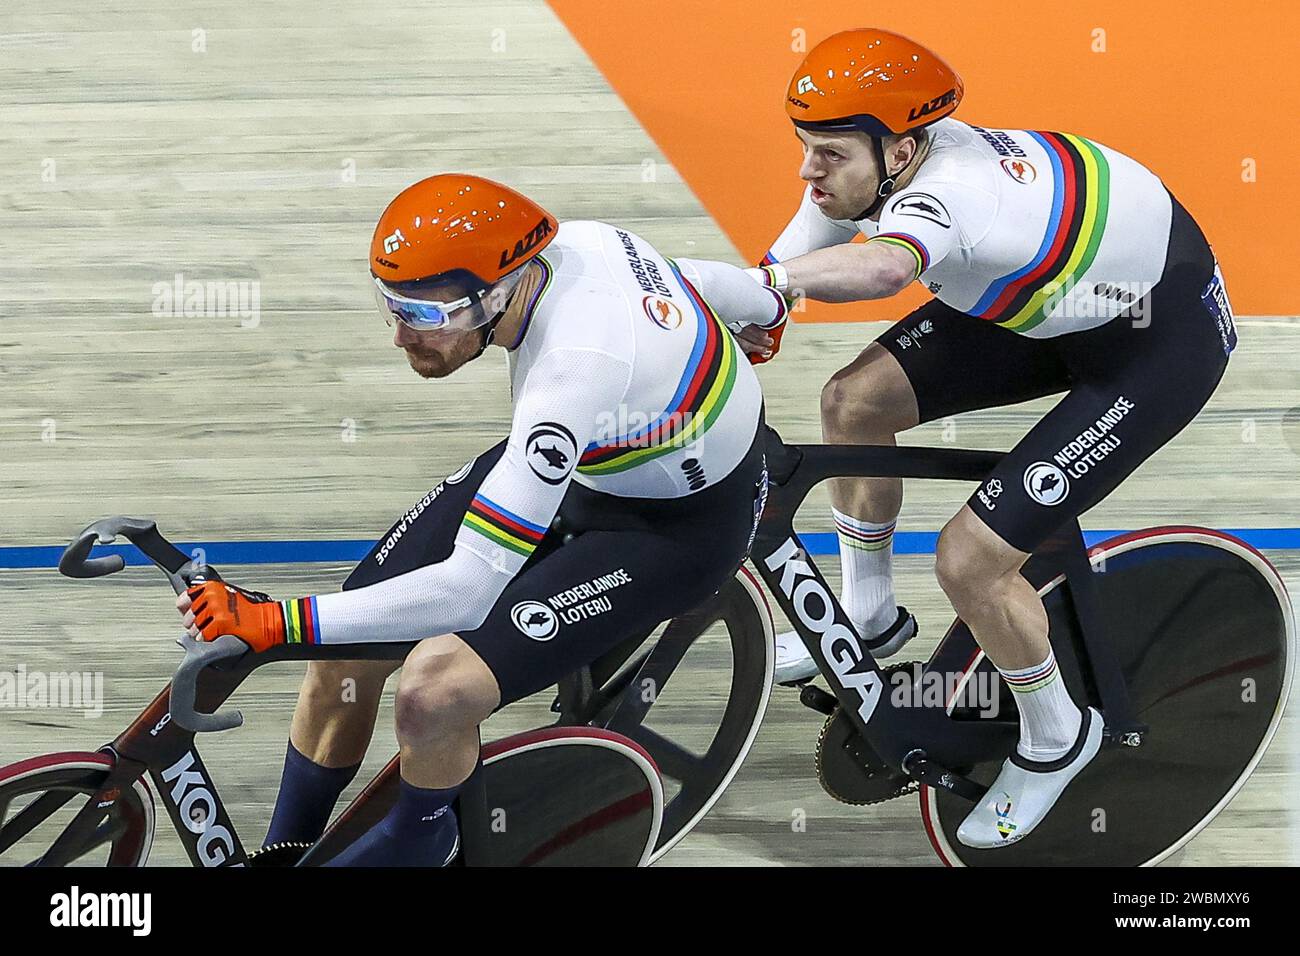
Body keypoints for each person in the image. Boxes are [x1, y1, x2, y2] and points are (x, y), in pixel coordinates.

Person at [176, 173, 786, 865]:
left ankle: (423, 838)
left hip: (672, 529)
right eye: (391, 306)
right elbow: (685, 277)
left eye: (429, 317)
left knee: (433, 693)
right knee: (344, 646)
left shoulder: (572, 369)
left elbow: (464, 591)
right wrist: (767, 303)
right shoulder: (578, 243)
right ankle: (285, 849)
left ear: (499, 292)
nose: (402, 337)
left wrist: (272, 623)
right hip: (596, 455)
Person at [732, 28, 1237, 847]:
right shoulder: (878, 163)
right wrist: (760, 303)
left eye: (827, 153)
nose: (806, 172)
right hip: (1060, 299)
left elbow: (886, 271)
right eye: (804, 149)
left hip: (1153, 341)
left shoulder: (953, 196)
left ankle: (1055, 736)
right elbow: (811, 230)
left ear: (900, 151)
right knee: (854, 401)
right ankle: (867, 611)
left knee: (971, 560)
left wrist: (759, 289)